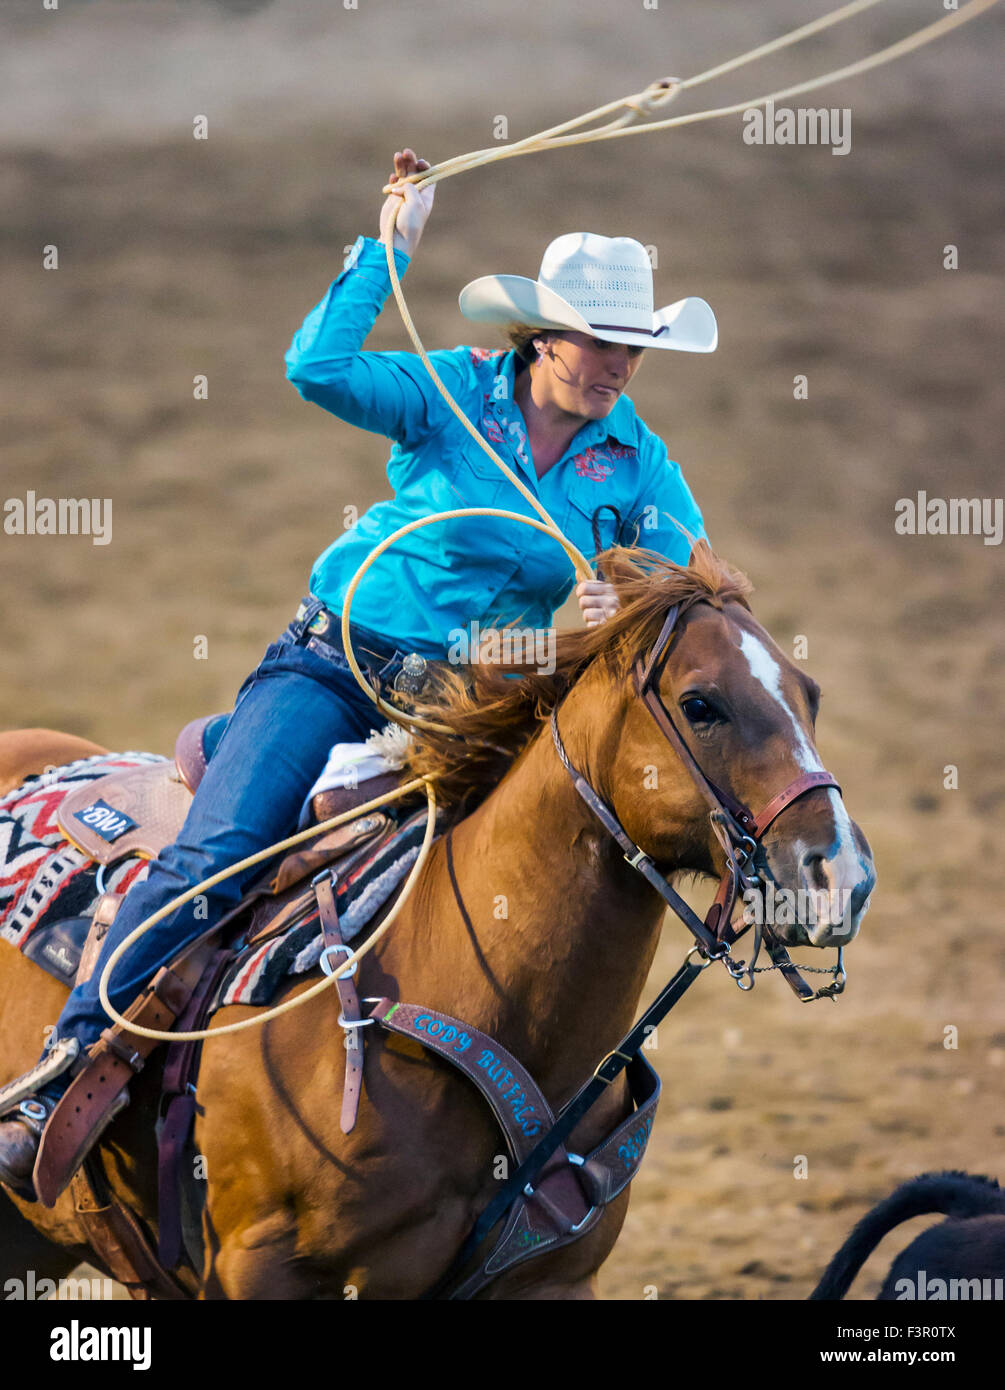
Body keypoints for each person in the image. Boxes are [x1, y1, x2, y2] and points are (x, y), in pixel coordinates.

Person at [0, 148, 716, 1187]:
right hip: (338, 663)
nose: (615, 367)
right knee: (222, 850)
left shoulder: (636, 460)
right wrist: (387, 252)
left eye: (633, 350)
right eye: (599, 343)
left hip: (481, 697)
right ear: (543, 335)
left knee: (537, 875)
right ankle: (61, 1073)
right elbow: (316, 370)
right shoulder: (450, 393)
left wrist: (633, 597)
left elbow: (692, 572)